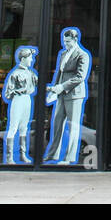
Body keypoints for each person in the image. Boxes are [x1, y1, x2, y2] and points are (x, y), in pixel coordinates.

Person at [43, 27, 91, 165]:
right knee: (57, 124)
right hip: (60, 94)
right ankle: (53, 154)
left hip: (74, 95)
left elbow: (80, 77)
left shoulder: (83, 55)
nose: (66, 44)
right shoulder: (63, 54)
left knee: (73, 126)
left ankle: (69, 157)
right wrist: (54, 87)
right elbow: (59, 72)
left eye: (68, 41)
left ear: (75, 40)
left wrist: (62, 87)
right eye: (64, 41)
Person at [2, 45, 38, 164]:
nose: (32, 60)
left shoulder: (32, 73)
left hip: (27, 99)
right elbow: (8, 93)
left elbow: (39, 85)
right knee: (13, 127)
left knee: (24, 128)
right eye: (30, 58)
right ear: (23, 58)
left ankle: (23, 154)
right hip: (18, 100)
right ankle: (9, 157)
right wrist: (16, 91)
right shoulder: (15, 73)